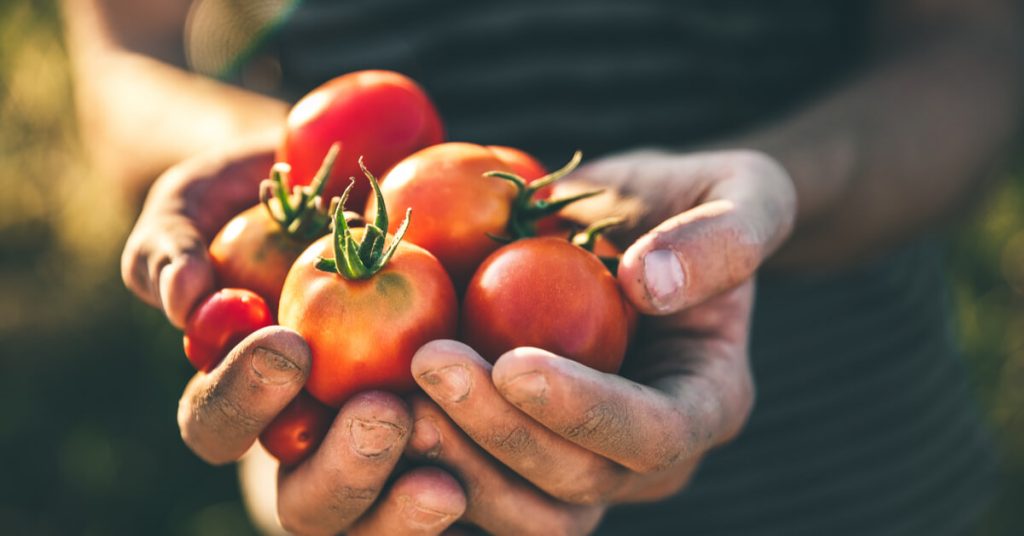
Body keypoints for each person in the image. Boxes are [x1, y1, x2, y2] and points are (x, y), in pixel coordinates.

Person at [64, 0, 1023, 534]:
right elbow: (123, 60)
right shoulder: (382, 235)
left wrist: (775, 201)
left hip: (845, 471)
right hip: (377, 486)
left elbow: (973, 49)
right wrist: (294, 182)